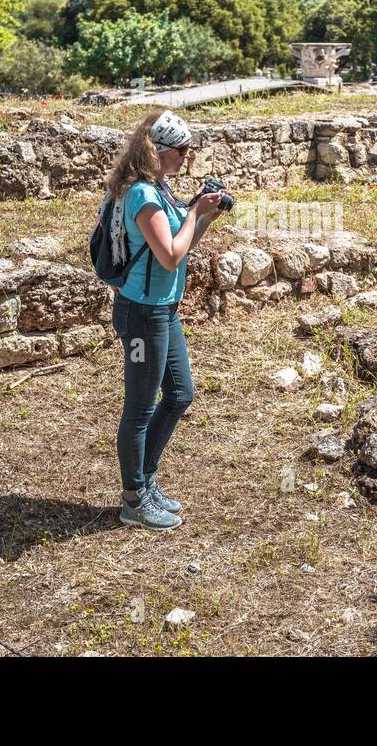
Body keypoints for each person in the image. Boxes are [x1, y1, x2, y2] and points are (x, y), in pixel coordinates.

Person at [103, 109, 226, 530]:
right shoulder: (142, 194)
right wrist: (192, 215)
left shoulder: (160, 188)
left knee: (180, 395)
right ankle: (133, 499)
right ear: (160, 150)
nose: (187, 158)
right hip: (142, 315)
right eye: (183, 151)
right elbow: (170, 255)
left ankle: (147, 480)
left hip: (163, 311)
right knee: (140, 408)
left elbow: (181, 246)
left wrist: (203, 214)